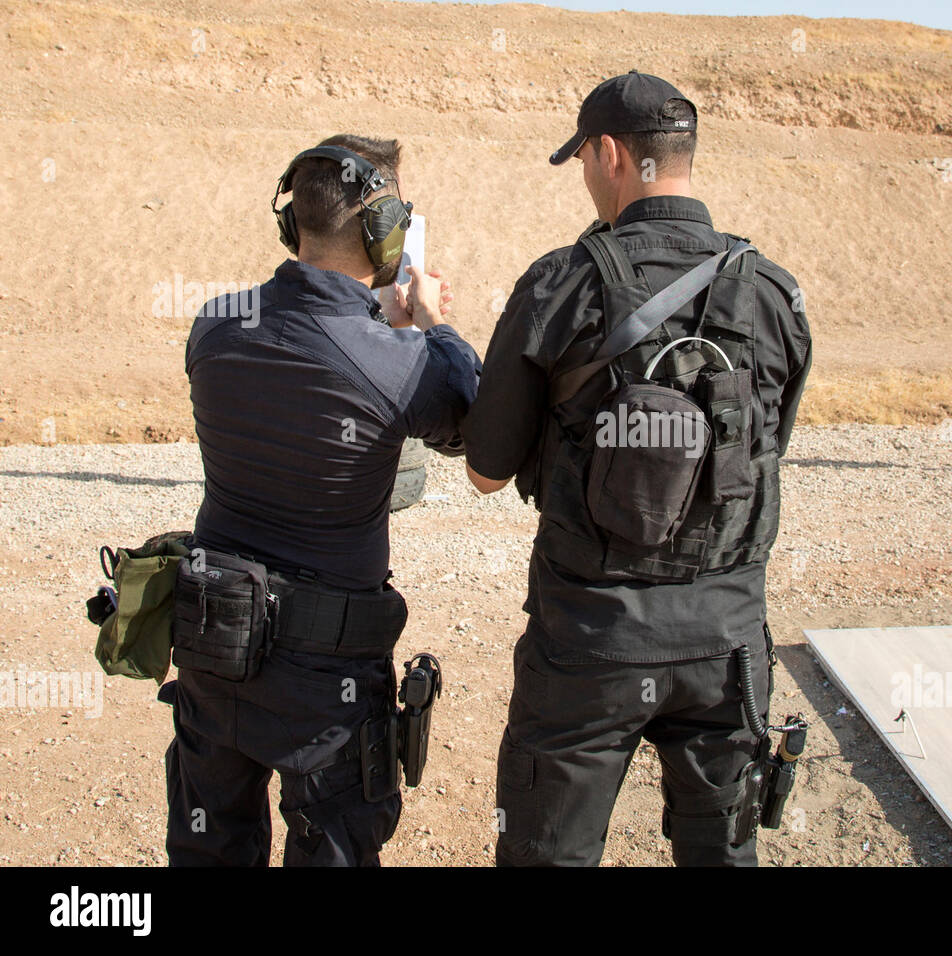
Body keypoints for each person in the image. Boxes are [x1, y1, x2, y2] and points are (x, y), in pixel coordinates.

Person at [462, 72, 812, 866]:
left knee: (548, 852)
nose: (585, 176)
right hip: (727, 643)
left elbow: (486, 471)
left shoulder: (561, 283)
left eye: (584, 158)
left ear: (611, 154)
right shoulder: (775, 293)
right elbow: (764, 455)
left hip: (590, 641)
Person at [160, 133, 481, 866]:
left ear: (291, 222)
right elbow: (472, 420)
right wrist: (430, 322)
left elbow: (312, 367)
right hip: (325, 675)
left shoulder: (213, 323)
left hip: (213, 641)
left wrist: (380, 333)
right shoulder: (400, 362)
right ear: (383, 226)